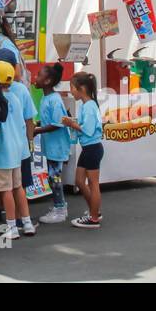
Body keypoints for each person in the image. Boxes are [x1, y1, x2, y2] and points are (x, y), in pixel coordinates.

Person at [0, 60, 37, 241]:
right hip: (18, 151)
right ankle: (27, 223)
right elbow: (21, 124)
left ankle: (11, 226)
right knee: (18, 188)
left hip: (2, 153)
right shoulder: (15, 98)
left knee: (5, 191)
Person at [33, 63, 74, 223]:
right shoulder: (46, 97)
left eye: (39, 75)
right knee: (53, 176)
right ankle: (59, 205)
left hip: (57, 146)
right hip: (51, 146)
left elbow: (57, 123)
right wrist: (37, 124)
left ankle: (60, 208)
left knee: (54, 177)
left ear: (48, 81)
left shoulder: (55, 100)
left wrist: (38, 130)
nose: (35, 78)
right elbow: (47, 119)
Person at [68, 72, 104, 229]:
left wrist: (71, 124)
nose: (71, 91)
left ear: (81, 88)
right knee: (79, 181)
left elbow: (87, 130)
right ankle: (94, 211)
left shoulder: (89, 106)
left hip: (92, 148)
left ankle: (94, 217)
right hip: (89, 148)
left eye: (72, 87)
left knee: (93, 183)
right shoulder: (87, 105)